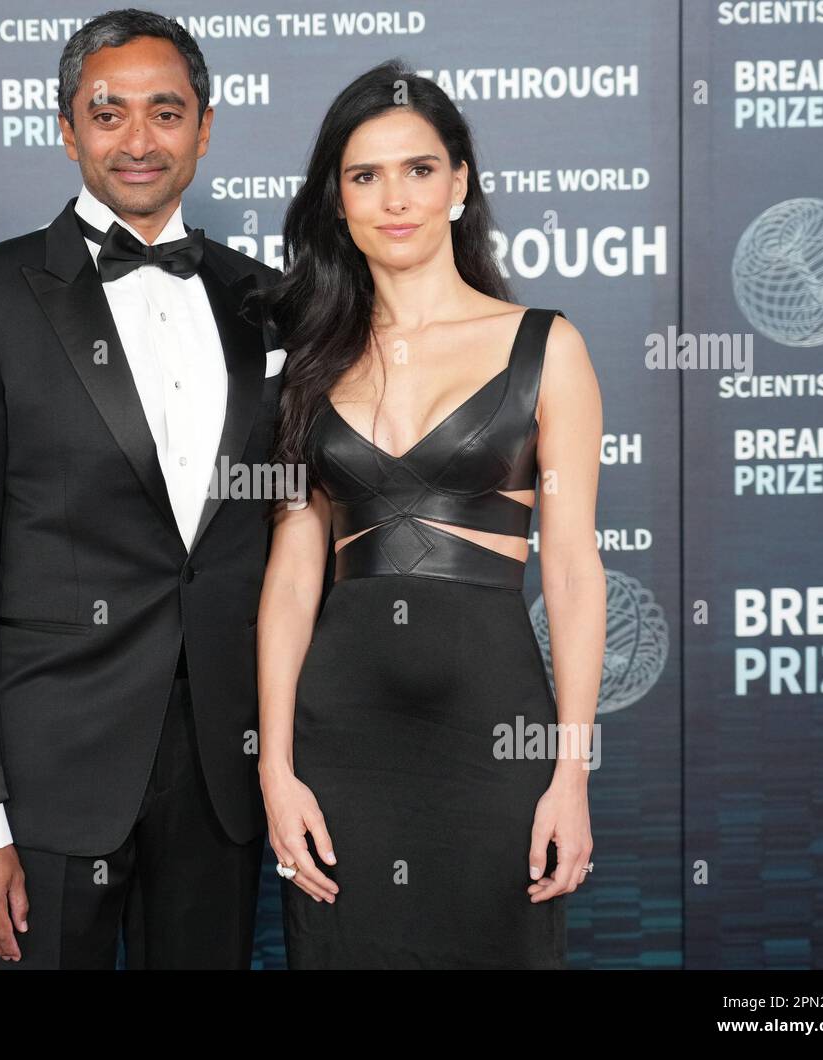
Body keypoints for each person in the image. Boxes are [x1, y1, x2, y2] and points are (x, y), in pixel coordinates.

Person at [0, 9, 285, 969]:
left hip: (225, 773)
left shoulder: (269, 301)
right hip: (48, 780)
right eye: (108, 114)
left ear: (205, 128)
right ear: (68, 131)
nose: (138, 140)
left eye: (167, 112)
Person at [252, 61, 605, 968]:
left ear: (459, 184)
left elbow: (571, 572)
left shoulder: (546, 346)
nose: (395, 198)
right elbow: (292, 573)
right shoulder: (307, 363)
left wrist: (570, 772)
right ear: (338, 203)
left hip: (493, 737)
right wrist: (276, 767)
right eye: (365, 176)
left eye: (418, 169)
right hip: (340, 745)